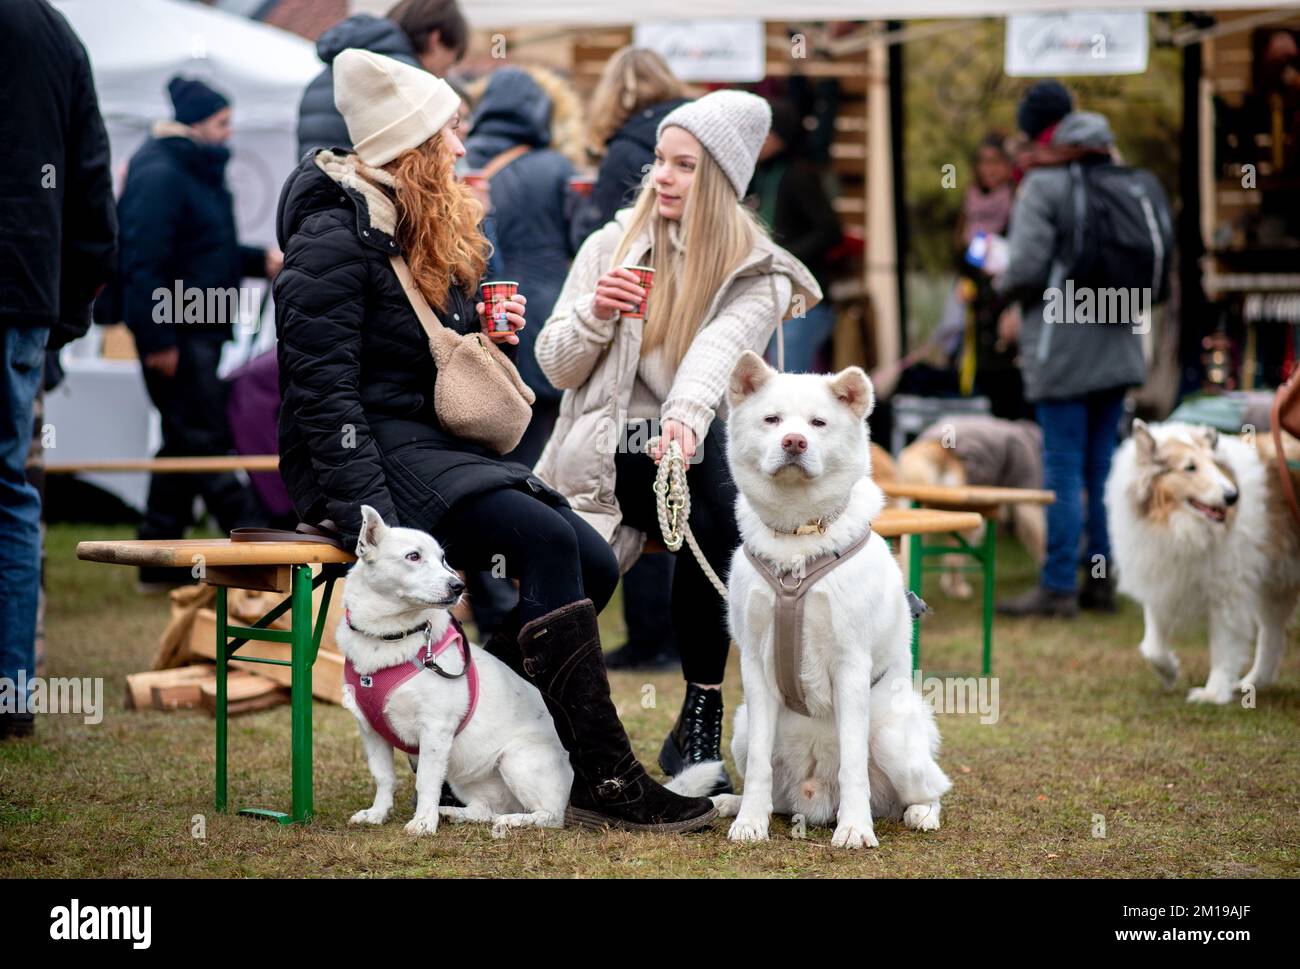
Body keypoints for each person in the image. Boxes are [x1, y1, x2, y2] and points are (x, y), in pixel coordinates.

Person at [273, 48, 714, 832]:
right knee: (547, 541)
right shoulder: (330, 239)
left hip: (420, 444)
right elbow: (322, 395)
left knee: (582, 551)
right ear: (409, 147)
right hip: (364, 457)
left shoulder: (399, 220)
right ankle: (606, 778)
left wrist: (478, 333)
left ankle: (484, 745)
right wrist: (374, 520)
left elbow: (408, 354)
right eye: (450, 133)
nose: (463, 148)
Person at [535, 90, 821, 794]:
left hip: (690, 451)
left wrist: (686, 419)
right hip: (601, 448)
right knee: (722, 507)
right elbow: (553, 364)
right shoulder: (611, 244)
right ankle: (689, 728)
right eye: (661, 160)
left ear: (722, 180)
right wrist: (598, 310)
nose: (661, 175)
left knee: (721, 506)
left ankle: (699, 717)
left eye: (685, 165)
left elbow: (718, 354)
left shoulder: (760, 272)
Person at [1, 0, 117, 739]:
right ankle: (9, 694)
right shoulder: (51, 31)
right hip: (21, 293)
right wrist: (60, 315)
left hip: (27, 295)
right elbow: (93, 197)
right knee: (10, 489)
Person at [994, 81, 1147, 618]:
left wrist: (1002, 287)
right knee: (1101, 468)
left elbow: (1028, 266)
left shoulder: (1044, 184)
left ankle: (1058, 586)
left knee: (1061, 466)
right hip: (1120, 342)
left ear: (1037, 131)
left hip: (1063, 349)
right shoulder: (1121, 173)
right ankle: (1102, 581)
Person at [116, 76, 276, 589]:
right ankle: (260, 548)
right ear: (198, 124)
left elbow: (208, 250)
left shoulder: (192, 170)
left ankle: (155, 558)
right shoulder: (161, 173)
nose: (230, 134)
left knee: (183, 441)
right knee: (205, 440)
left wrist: (258, 262)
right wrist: (157, 339)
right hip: (177, 335)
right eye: (223, 123)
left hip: (198, 328)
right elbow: (142, 261)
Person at [463, 67, 582, 468]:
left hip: (477, 313)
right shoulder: (557, 167)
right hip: (543, 314)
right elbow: (579, 239)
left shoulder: (457, 160)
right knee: (536, 442)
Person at [296, 0, 468, 160]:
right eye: (448, 65)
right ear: (435, 39)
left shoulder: (325, 76)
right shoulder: (405, 83)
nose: (443, 75)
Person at [748, 98, 843, 374]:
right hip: (770, 295)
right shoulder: (759, 175)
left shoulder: (799, 175)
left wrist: (785, 257)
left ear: (782, 136)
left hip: (802, 297)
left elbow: (830, 231)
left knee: (788, 378)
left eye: (766, 133)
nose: (759, 141)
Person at [569, 47, 689, 247]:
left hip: (639, 265)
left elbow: (597, 232)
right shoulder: (694, 131)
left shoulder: (624, 151)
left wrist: (579, 207)